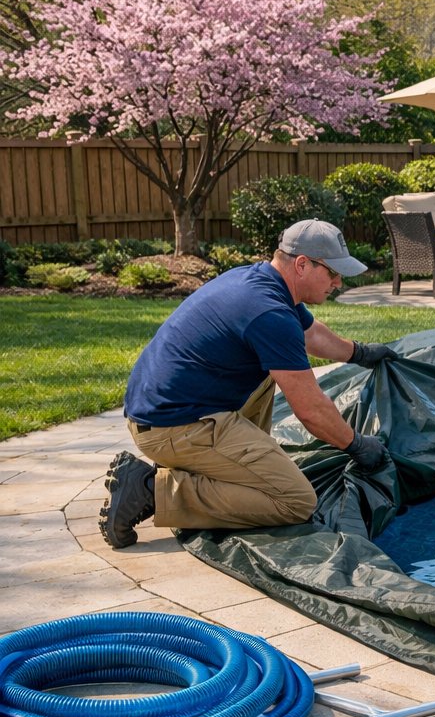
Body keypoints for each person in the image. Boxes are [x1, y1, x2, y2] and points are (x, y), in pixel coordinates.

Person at [99, 219, 398, 548]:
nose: (338, 282)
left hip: (167, 413)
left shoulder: (260, 281)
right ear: (302, 264)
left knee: (269, 372)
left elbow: (310, 334)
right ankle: (149, 490)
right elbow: (311, 410)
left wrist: (359, 353)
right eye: (333, 273)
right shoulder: (269, 313)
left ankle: (218, 468)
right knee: (295, 500)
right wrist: (356, 445)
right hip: (172, 429)